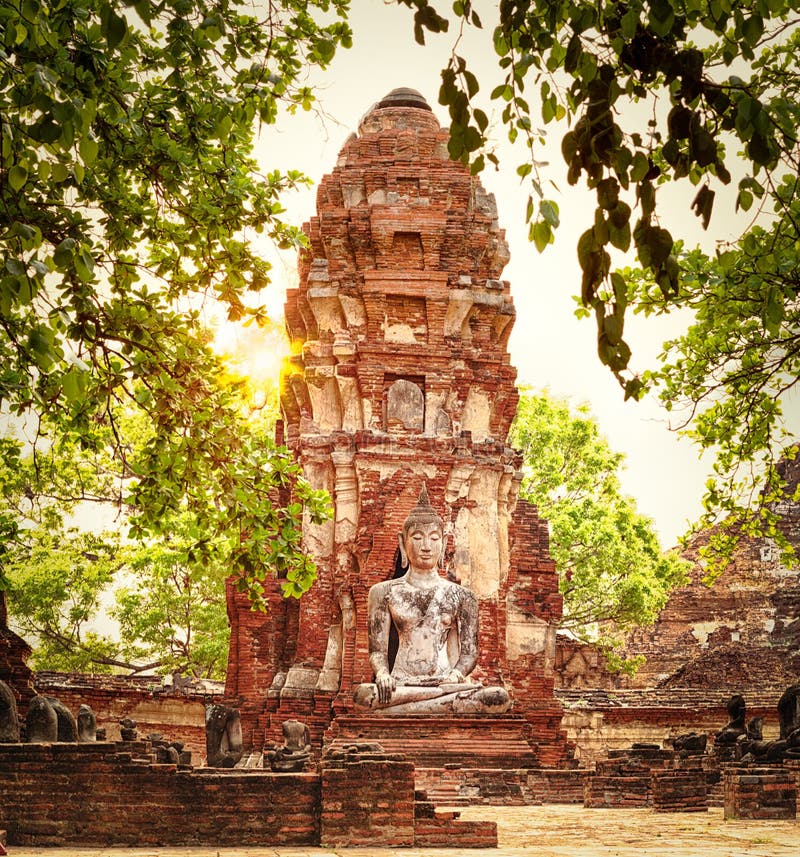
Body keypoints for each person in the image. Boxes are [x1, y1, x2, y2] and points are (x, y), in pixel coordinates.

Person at [353, 486, 510, 715]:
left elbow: (469, 654)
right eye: (417, 537)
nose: (426, 546)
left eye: (433, 538)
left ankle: (410, 709)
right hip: (401, 684)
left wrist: (456, 675)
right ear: (402, 542)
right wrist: (383, 675)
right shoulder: (383, 592)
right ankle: (430, 706)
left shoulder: (462, 596)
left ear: (444, 543)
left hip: (445, 683)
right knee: (364, 696)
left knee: (496, 697)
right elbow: (377, 651)